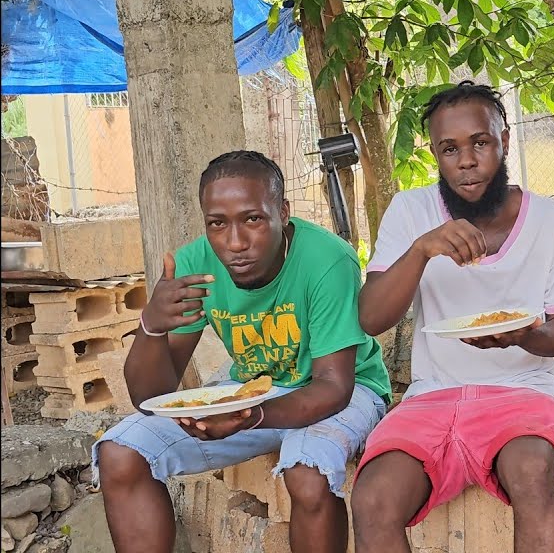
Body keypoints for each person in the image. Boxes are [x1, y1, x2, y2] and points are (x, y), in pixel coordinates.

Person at [95, 151, 391, 553]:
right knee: (120, 454)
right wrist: (152, 326)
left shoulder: (326, 259)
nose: (235, 243)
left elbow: (333, 387)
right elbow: (151, 399)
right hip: (251, 392)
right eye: (217, 224)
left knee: (309, 474)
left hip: (347, 387)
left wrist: (250, 417)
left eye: (253, 219)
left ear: (283, 213)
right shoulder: (194, 265)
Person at [349, 82, 554, 553]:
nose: (466, 161)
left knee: (532, 471)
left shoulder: (551, 220)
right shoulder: (412, 211)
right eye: (449, 149)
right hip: (432, 396)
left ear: (505, 140)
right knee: (372, 497)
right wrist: (421, 250)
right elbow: (371, 318)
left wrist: (522, 336)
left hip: (523, 394)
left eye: (480, 143)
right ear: (435, 155)